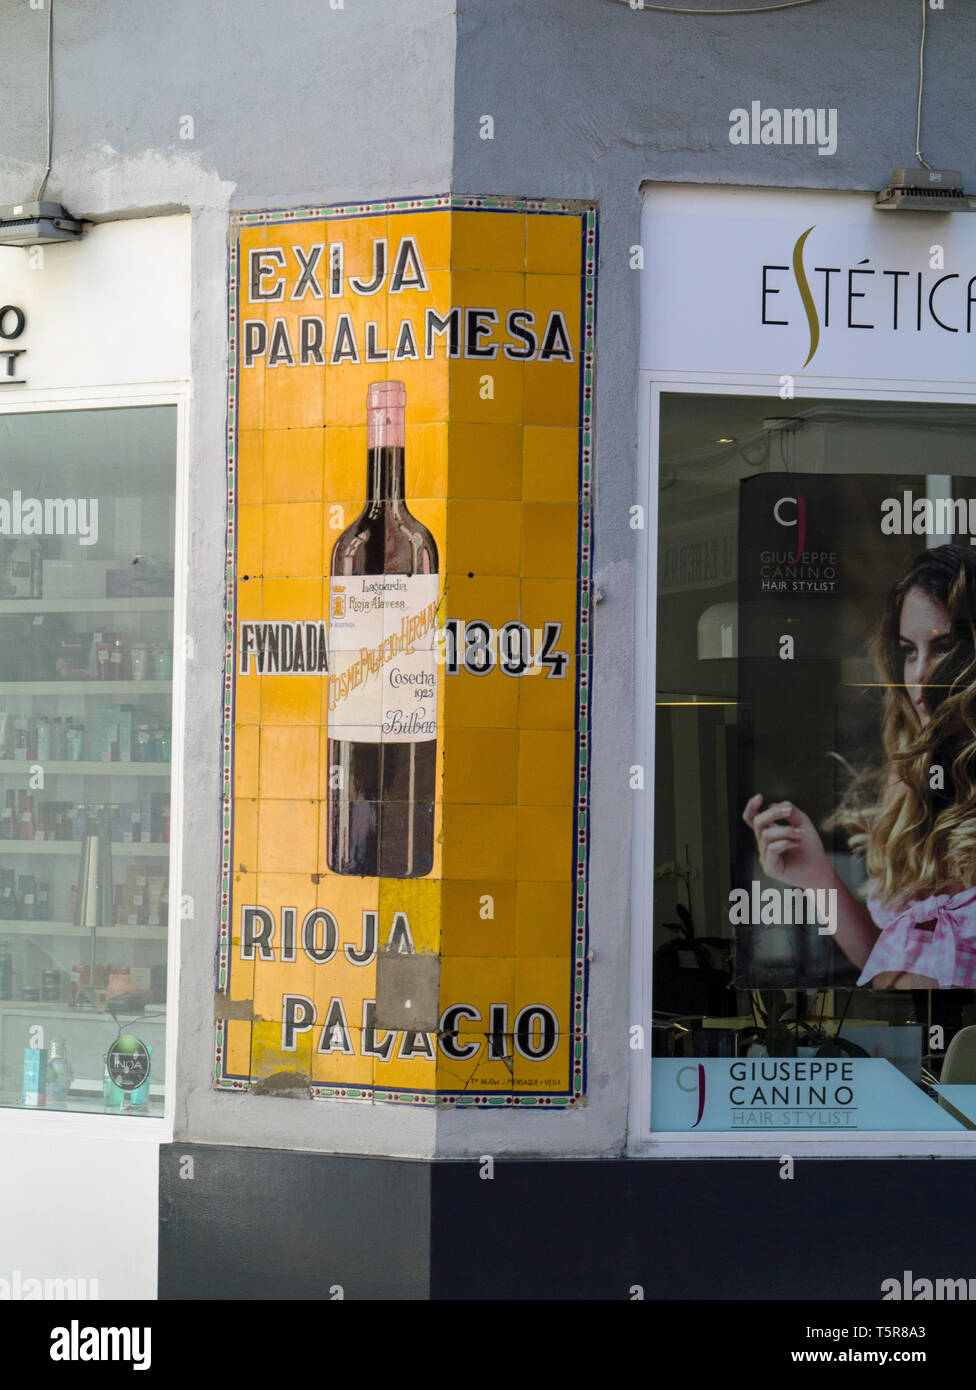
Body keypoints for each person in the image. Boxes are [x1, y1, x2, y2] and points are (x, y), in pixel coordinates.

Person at [743, 544, 976, 990]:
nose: (920, 674)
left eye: (943, 647)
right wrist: (814, 874)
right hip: (904, 1052)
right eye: (909, 651)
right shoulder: (909, 785)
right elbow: (883, 963)